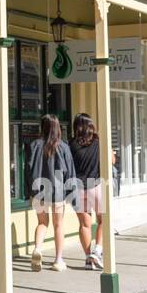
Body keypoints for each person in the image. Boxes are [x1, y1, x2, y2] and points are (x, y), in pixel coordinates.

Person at [29, 114, 75, 273]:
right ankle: (58, 260)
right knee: (58, 225)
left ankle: (37, 249)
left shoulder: (34, 145)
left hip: (38, 189)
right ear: (57, 128)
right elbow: (69, 171)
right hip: (58, 191)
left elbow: (27, 169)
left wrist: (30, 190)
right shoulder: (63, 147)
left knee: (42, 223)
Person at [69, 113, 104, 270]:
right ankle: (97, 251)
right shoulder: (97, 142)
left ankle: (88, 258)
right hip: (95, 185)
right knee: (103, 220)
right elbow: (111, 160)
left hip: (77, 188)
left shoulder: (71, 144)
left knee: (84, 224)